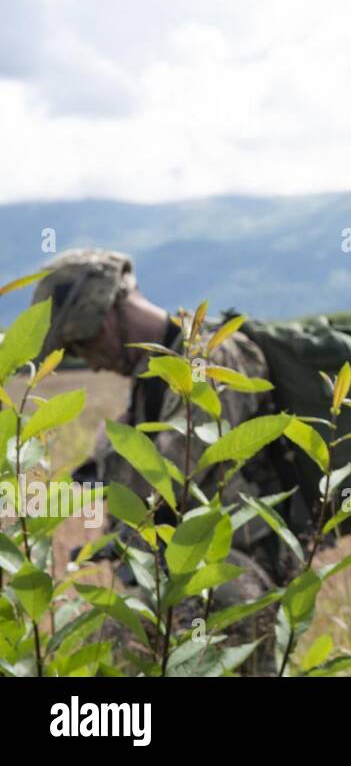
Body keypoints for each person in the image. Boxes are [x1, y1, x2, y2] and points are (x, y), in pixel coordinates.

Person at [34, 248, 289, 673]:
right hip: (177, 572)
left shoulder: (209, 359)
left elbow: (171, 475)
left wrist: (113, 468)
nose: (91, 364)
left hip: (233, 571)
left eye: (84, 343)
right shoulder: (151, 380)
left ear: (107, 316)